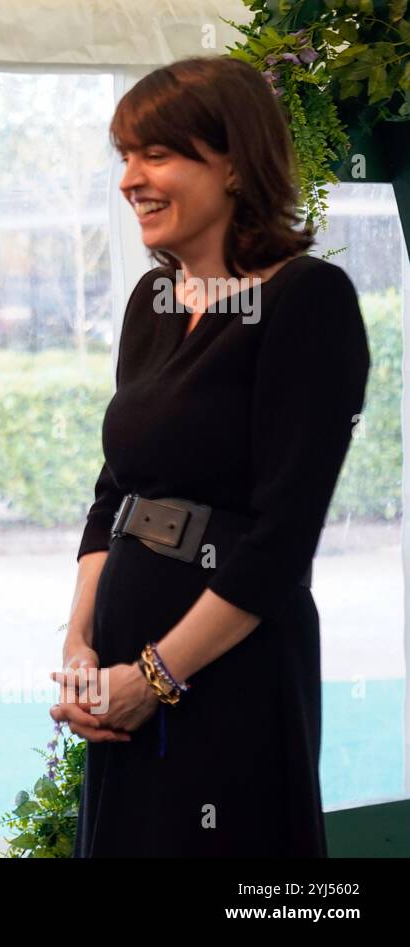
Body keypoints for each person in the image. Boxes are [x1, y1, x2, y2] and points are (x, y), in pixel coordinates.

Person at [52, 56, 370, 856]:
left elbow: (282, 539)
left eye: (155, 155)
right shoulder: (151, 304)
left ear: (232, 161)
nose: (130, 180)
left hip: (232, 671)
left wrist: (155, 679)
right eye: (123, 157)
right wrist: (82, 648)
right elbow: (110, 496)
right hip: (121, 667)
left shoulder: (308, 300)